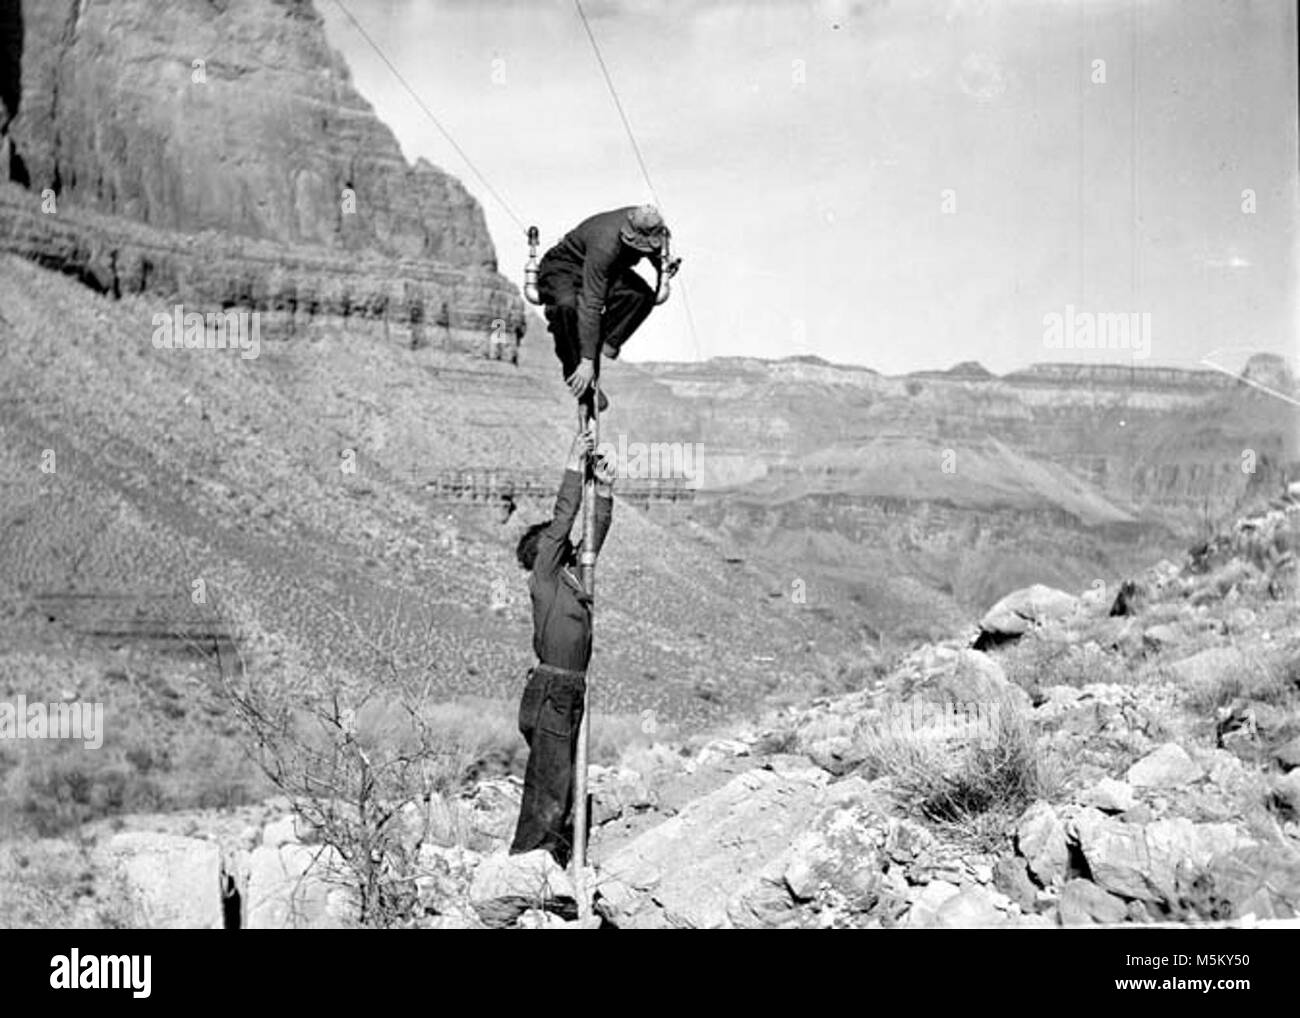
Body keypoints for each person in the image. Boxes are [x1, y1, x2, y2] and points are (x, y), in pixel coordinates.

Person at [509, 424, 615, 866]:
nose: (571, 550)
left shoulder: (571, 582)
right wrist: (575, 463)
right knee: (550, 781)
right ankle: (528, 864)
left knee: (560, 779)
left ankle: (548, 859)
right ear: (547, 555)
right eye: (561, 548)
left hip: (567, 690)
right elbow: (565, 518)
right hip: (553, 689)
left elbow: (593, 537)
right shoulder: (546, 577)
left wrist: (605, 491)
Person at [537, 205, 679, 411]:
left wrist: (663, 271)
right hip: (566, 266)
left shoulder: (658, 231)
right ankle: (577, 372)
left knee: (639, 295)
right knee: (566, 307)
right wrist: (587, 361)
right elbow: (591, 304)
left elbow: (659, 257)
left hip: (610, 269)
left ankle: (605, 342)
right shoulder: (605, 243)